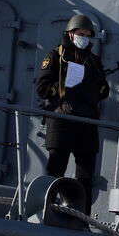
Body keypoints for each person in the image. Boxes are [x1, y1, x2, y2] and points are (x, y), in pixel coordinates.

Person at [36, 13, 109, 214]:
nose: (84, 38)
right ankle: (45, 212)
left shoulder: (93, 61)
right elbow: (42, 88)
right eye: (80, 34)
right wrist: (64, 86)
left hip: (87, 122)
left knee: (85, 176)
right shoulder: (55, 56)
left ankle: (82, 218)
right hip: (62, 119)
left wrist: (92, 88)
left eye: (87, 35)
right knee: (55, 170)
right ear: (70, 33)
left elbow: (104, 90)